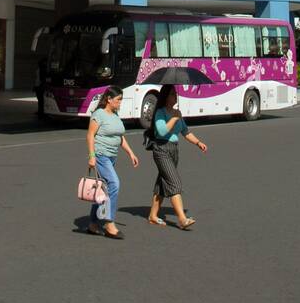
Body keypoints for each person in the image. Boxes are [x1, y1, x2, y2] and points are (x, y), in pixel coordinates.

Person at [146, 84, 208, 230]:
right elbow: (161, 131)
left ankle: (153, 216)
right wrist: (174, 118)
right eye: (172, 94)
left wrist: (198, 142)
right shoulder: (160, 112)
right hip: (161, 149)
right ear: (166, 96)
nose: (175, 96)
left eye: (175, 94)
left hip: (173, 150)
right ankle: (182, 219)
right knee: (174, 183)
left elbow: (185, 132)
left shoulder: (177, 113)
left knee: (163, 183)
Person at [85, 86, 138, 238]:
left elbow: (120, 137)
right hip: (101, 155)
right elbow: (90, 135)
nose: (120, 102)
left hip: (112, 156)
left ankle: (93, 224)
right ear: (109, 99)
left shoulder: (115, 115)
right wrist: (92, 156)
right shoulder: (99, 114)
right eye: (118, 99)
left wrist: (131, 153)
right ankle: (109, 221)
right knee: (114, 183)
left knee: (103, 189)